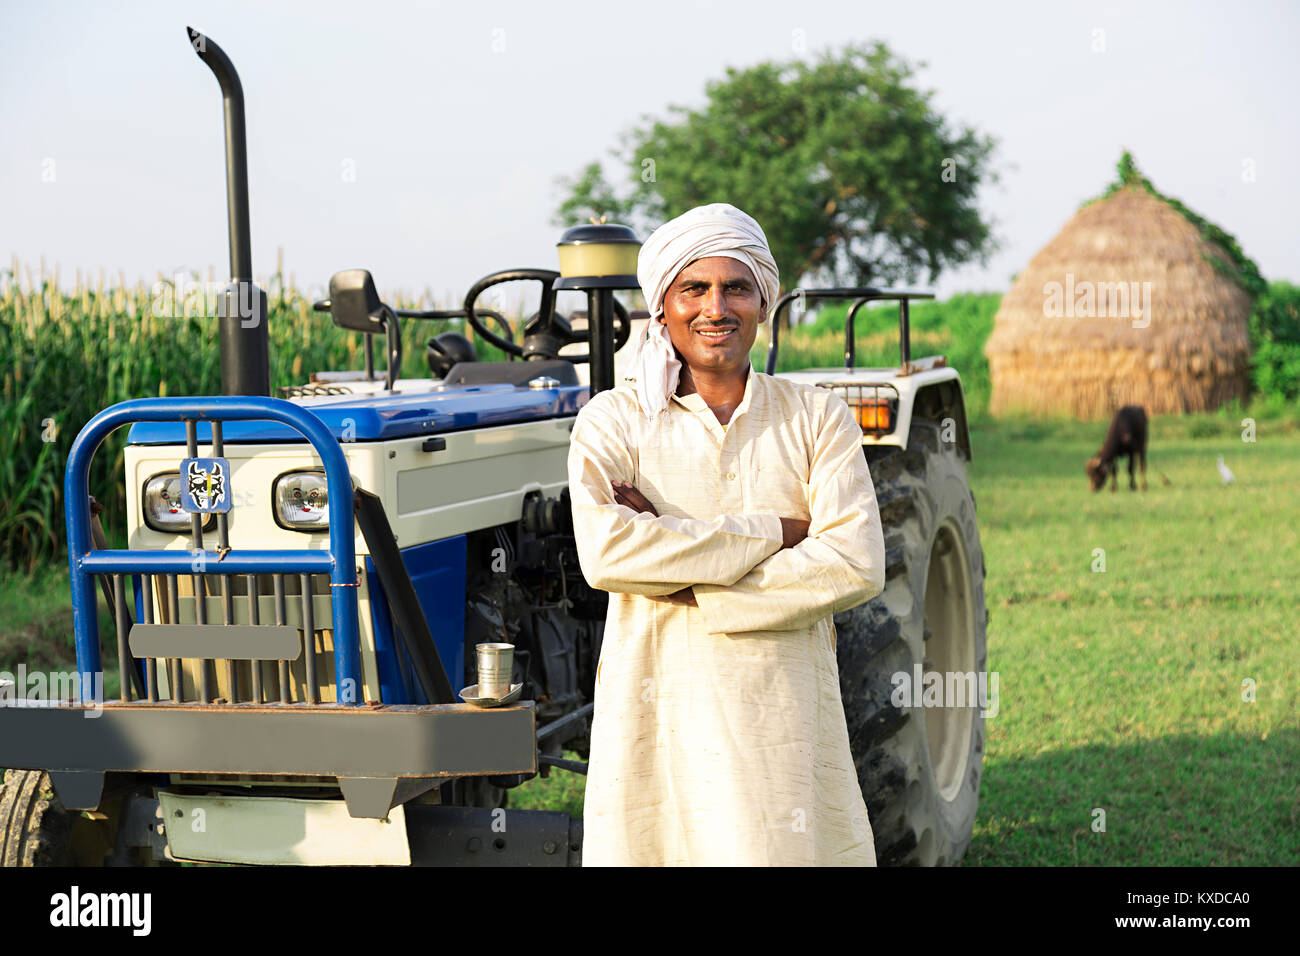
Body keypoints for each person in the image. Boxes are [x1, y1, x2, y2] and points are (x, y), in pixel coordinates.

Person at [566, 202, 886, 866]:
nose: (717, 307)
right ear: (663, 308)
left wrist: (684, 579)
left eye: (736, 287)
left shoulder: (815, 417)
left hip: (783, 720)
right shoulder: (613, 423)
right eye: (695, 289)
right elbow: (606, 554)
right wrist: (778, 531)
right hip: (657, 715)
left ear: (763, 303)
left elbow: (855, 562)